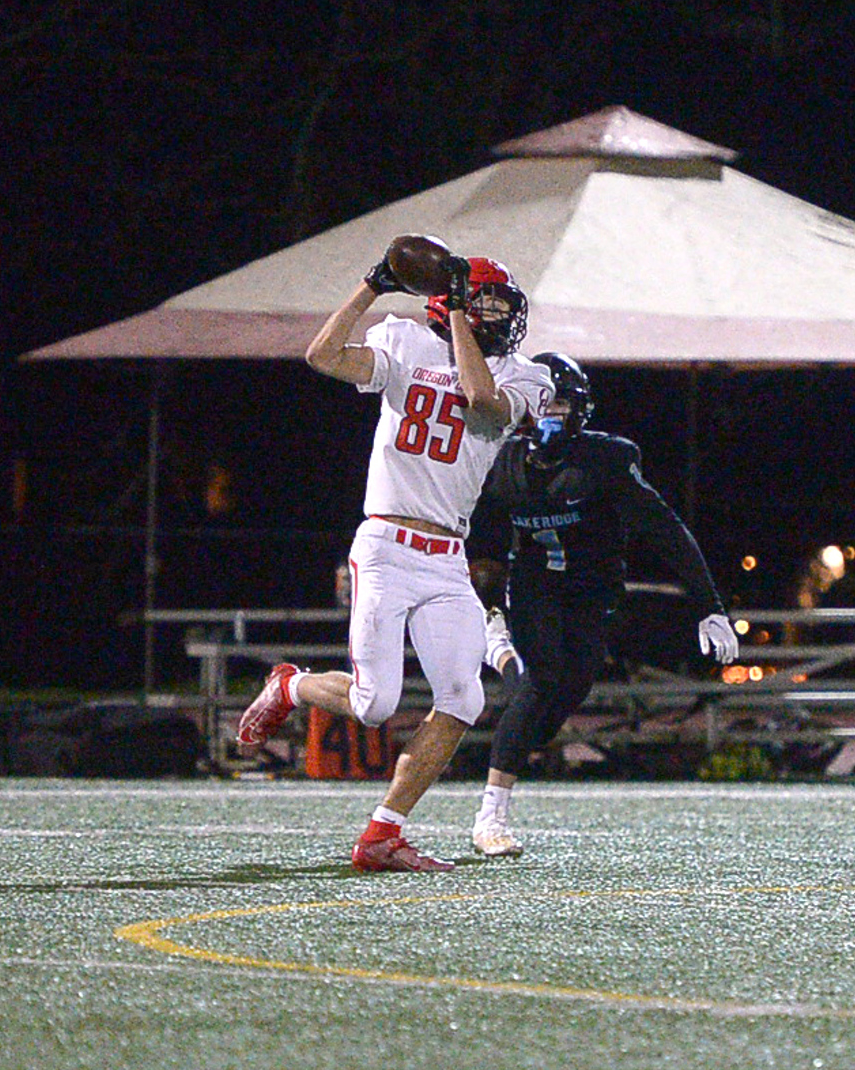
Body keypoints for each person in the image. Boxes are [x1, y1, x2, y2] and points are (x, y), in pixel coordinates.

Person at [237, 241, 553, 872]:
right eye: (478, 300)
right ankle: (292, 683)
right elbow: (321, 355)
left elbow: (482, 401)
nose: (491, 313)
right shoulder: (406, 341)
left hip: (447, 557)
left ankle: (382, 832)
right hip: (386, 545)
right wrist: (372, 285)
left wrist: (459, 318)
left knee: (463, 699)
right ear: (444, 300)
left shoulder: (527, 375)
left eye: (494, 303)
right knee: (373, 705)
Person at [467, 352, 738, 857]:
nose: (550, 413)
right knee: (543, 678)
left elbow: (664, 528)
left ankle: (502, 656)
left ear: (581, 408)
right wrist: (481, 596)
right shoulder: (497, 458)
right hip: (534, 585)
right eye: (543, 401)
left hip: (592, 591)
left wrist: (709, 604)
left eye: (562, 402)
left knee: (566, 692)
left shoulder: (605, 460)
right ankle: (491, 816)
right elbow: (471, 532)